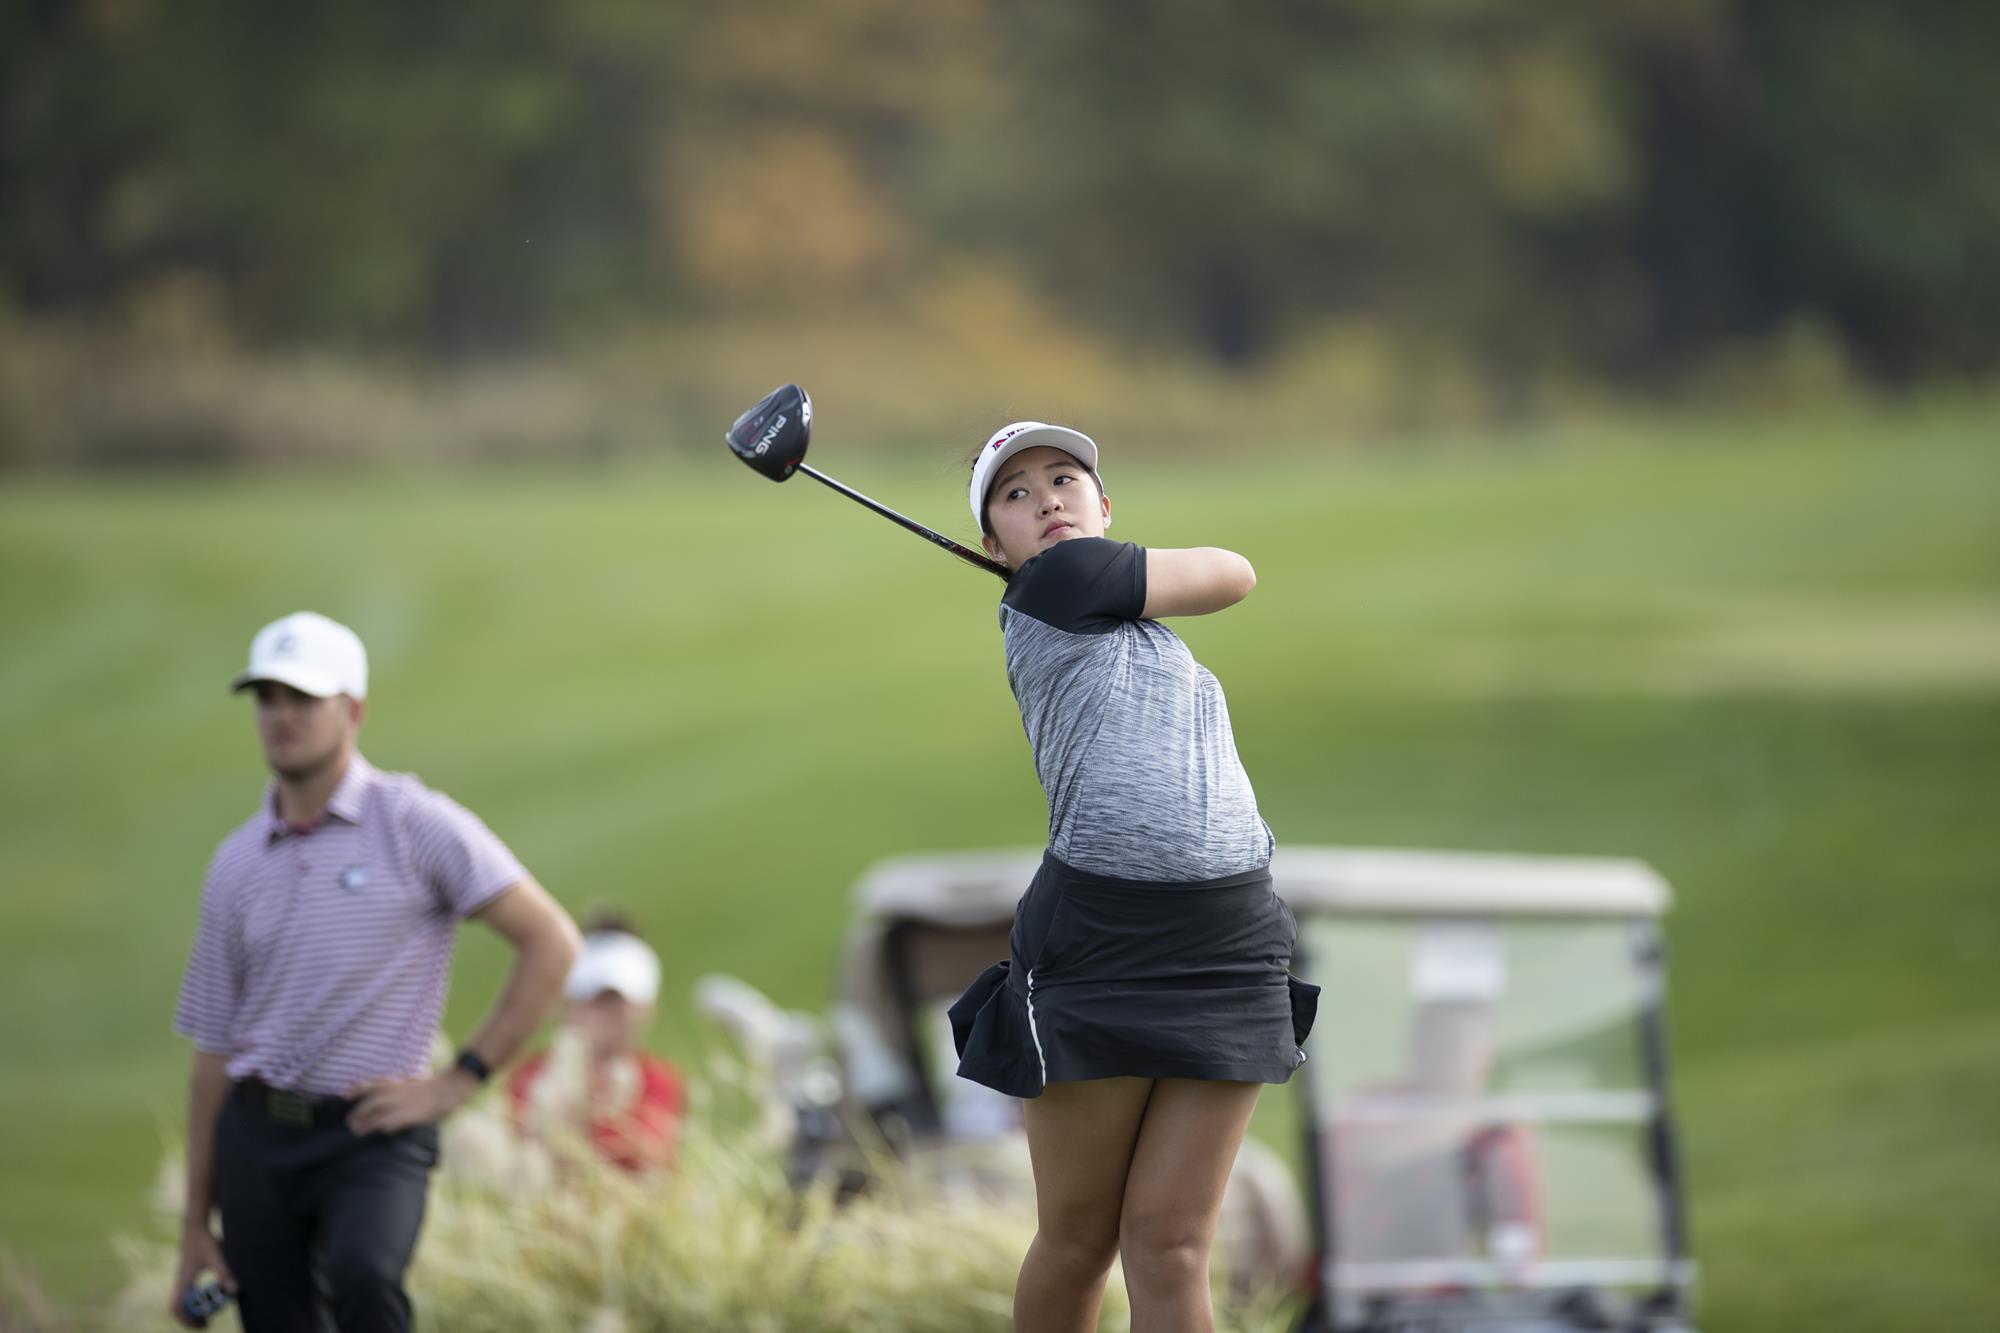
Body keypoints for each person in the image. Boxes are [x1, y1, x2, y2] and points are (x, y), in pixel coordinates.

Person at [947, 423, 1318, 1333]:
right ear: (996, 547)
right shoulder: (1059, 582)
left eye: (1065, 480)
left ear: (1104, 507)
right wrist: (1108, 558)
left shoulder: (1128, 617)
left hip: (1227, 938)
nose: (1048, 501)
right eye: (1018, 493)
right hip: (1104, 938)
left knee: (1172, 1245)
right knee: (1079, 1241)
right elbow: (1234, 571)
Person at [171, 611, 582, 1332]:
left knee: (366, 1276)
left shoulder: (416, 823)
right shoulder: (235, 862)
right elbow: (212, 1051)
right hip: (257, 1139)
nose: (280, 715)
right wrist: (194, 1223)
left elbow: (551, 941)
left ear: (353, 710)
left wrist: (458, 1079)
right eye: (267, 697)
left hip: (372, 1133)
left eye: (303, 697)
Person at [506, 910, 687, 1173]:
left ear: (647, 1007)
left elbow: (648, 1157)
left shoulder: (659, 1080)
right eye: (597, 1000)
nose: (609, 1015)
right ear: (567, 1004)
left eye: (618, 1001)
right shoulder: (530, 1077)